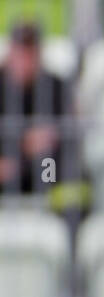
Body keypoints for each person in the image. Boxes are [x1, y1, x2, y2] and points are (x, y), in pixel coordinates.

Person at [0, 21, 68, 197]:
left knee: (50, 163)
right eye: (20, 52)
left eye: (30, 54)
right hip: (5, 170)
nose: (25, 61)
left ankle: (47, 202)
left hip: (41, 169)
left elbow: (58, 137)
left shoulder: (55, 86)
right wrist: (23, 144)